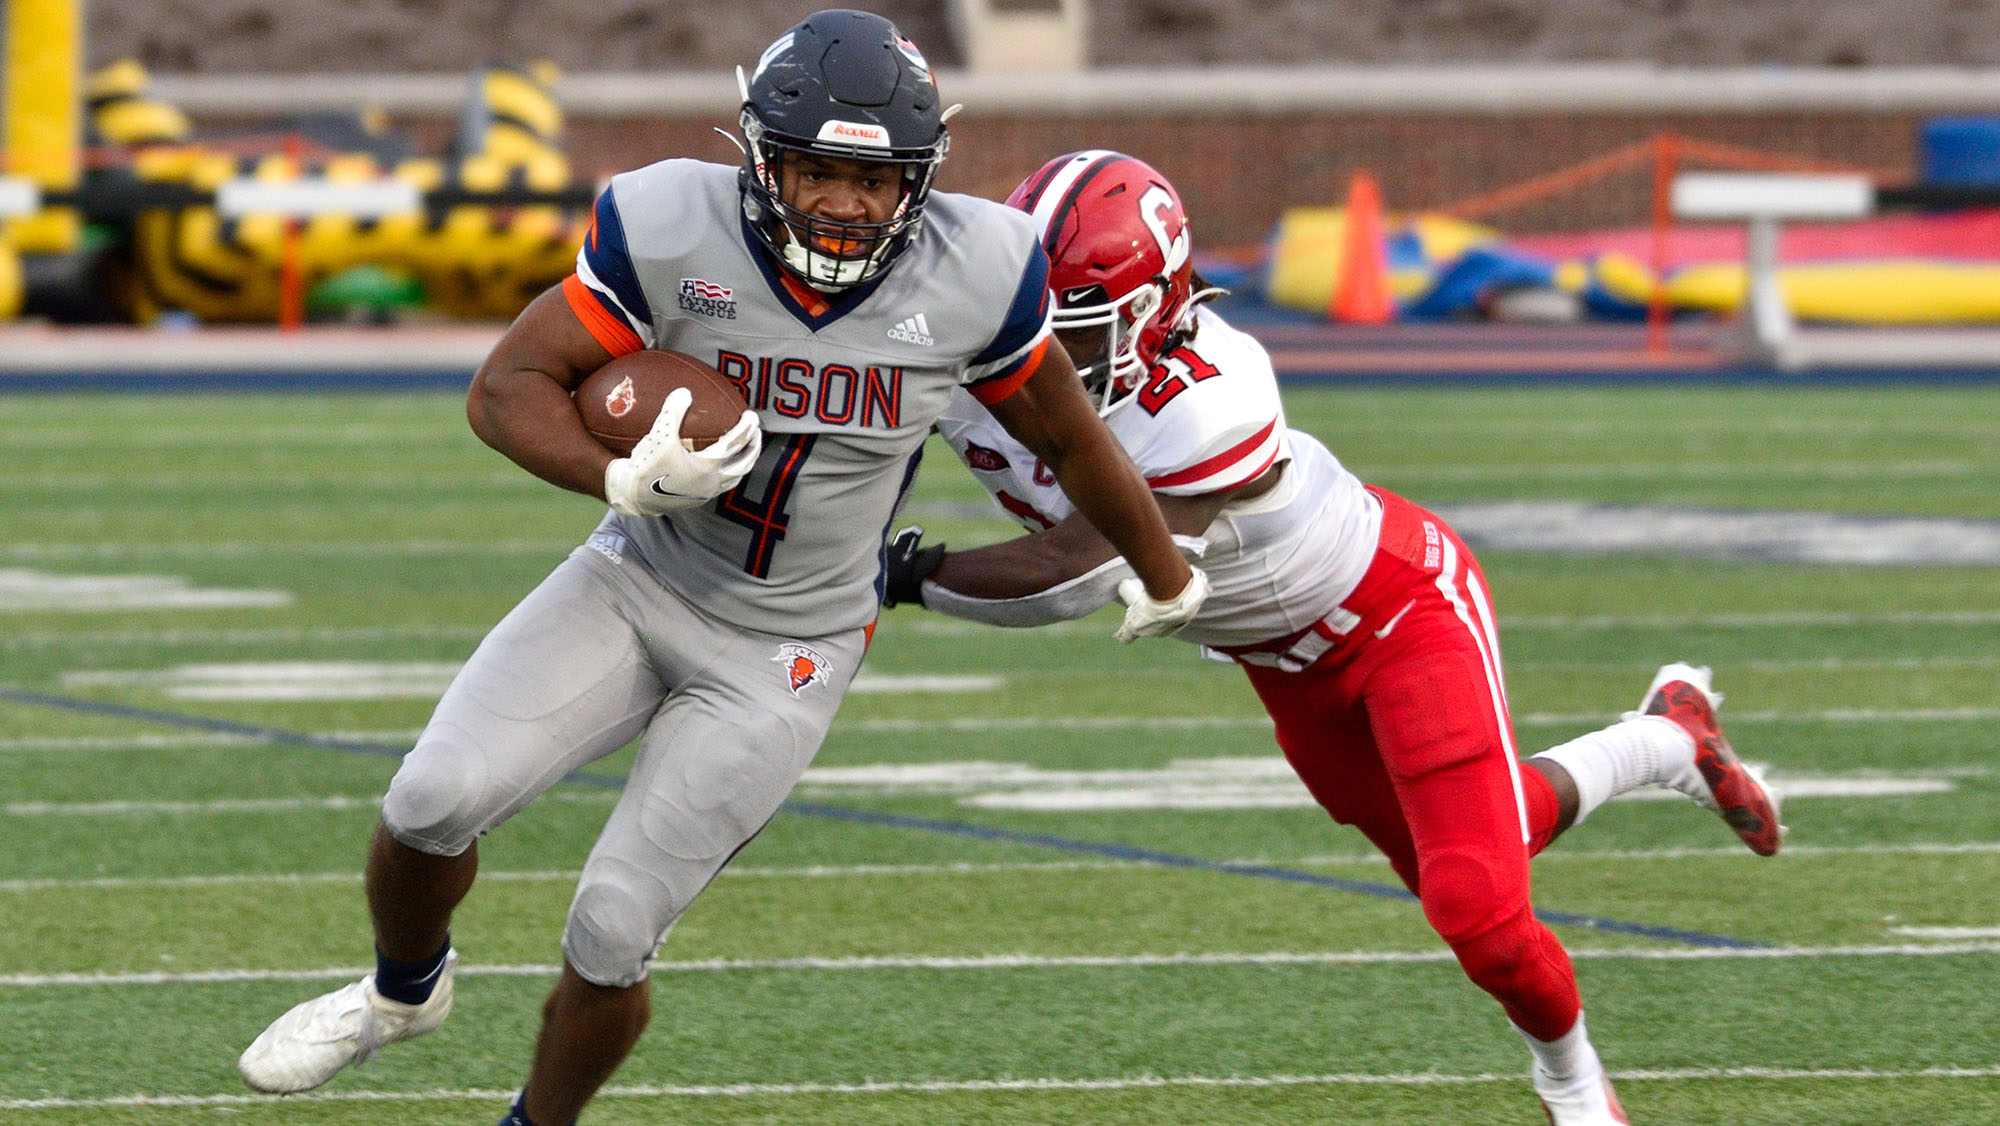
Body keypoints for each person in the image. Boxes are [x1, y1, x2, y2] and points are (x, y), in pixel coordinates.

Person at [235, 22, 1208, 1126]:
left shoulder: (975, 269)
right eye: (818, 171)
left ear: (920, 181)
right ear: (760, 159)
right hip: (638, 576)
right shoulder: (668, 225)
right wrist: (616, 483)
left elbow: (1076, 441)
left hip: (785, 646)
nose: (844, 203)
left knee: (611, 927)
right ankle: (399, 993)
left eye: (875, 179)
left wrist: (1164, 570)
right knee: (428, 799)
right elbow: (507, 388)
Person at [883, 149, 1784, 1126]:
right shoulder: (980, 333)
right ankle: (1666, 739)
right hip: (1282, 667)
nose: (1043, 350)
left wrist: (900, 574)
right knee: (1485, 836)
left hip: (1398, 614)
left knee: (1476, 911)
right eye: (1032, 316)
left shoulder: (1214, 392)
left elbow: (1071, 573)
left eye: (1076, 328)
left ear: (1151, 313)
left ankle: (1573, 1087)